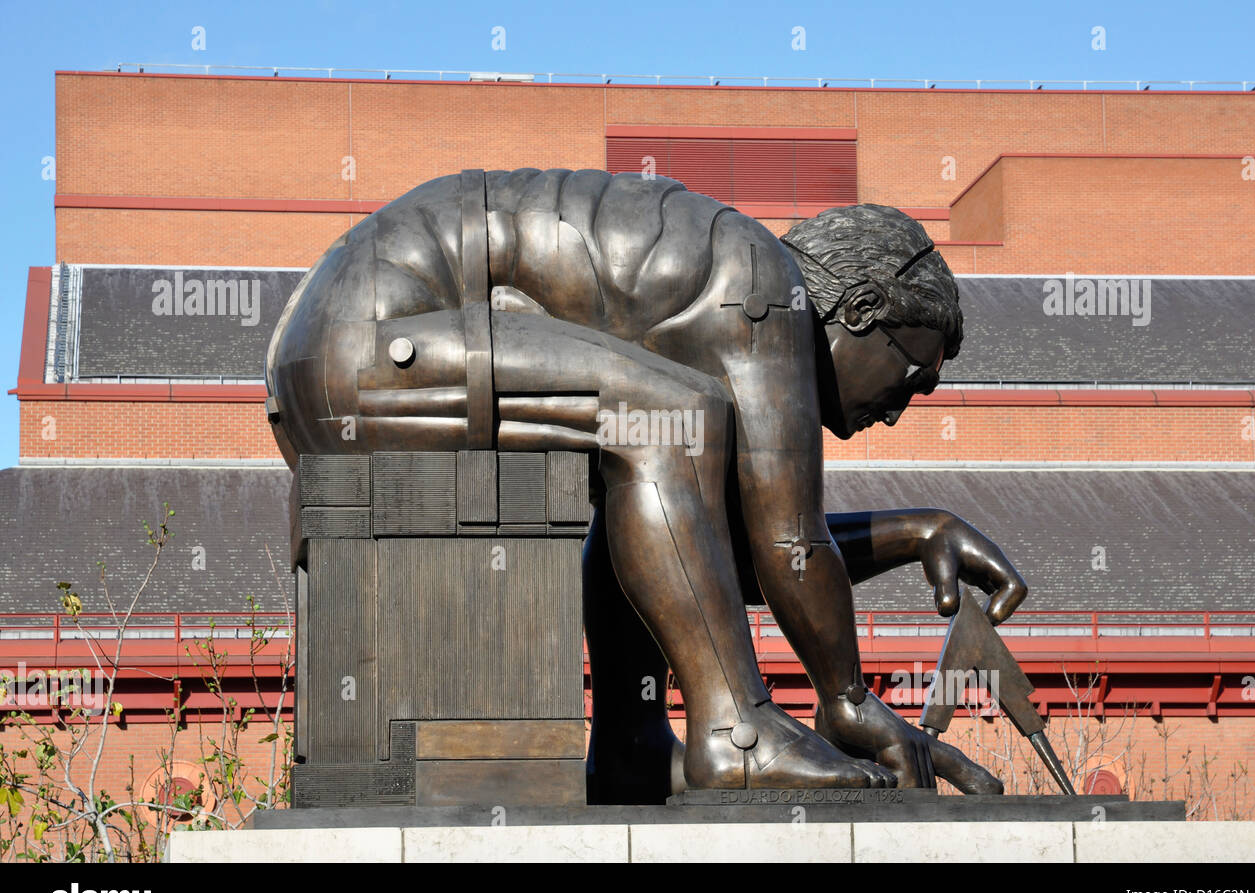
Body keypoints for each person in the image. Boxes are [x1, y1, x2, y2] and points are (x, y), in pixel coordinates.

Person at [267, 168, 1027, 799]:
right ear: (859, 311)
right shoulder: (765, 288)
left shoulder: (727, 285)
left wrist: (918, 532)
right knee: (666, 419)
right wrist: (848, 699)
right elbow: (789, 542)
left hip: (335, 349)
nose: (893, 412)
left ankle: (631, 741)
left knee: (647, 447)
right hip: (371, 341)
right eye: (909, 378)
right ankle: (737, 733)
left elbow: (713, 557)